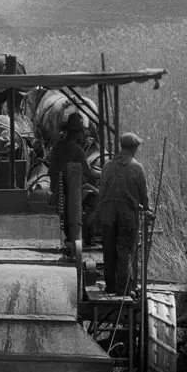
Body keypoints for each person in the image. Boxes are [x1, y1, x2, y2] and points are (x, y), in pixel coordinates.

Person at [98, 132, 150, 295]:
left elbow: (102, 191)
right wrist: (146, 209)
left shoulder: (107, 165)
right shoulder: (136, 167)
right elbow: (144, 196)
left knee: (109, 250)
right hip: (127, 215)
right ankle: (123, 289)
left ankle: (110, 286)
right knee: (124, 250)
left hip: (108, 214)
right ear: (134, 148)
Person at [49, 113, 99, 247]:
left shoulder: (57, 146)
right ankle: (91, 237)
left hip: (55, 188)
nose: (83, 136)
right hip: (72, 190)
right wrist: (103, 173)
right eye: (82, 133)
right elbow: (88, 173)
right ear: (77, 133)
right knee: (96, 197)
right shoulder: (77, 150)